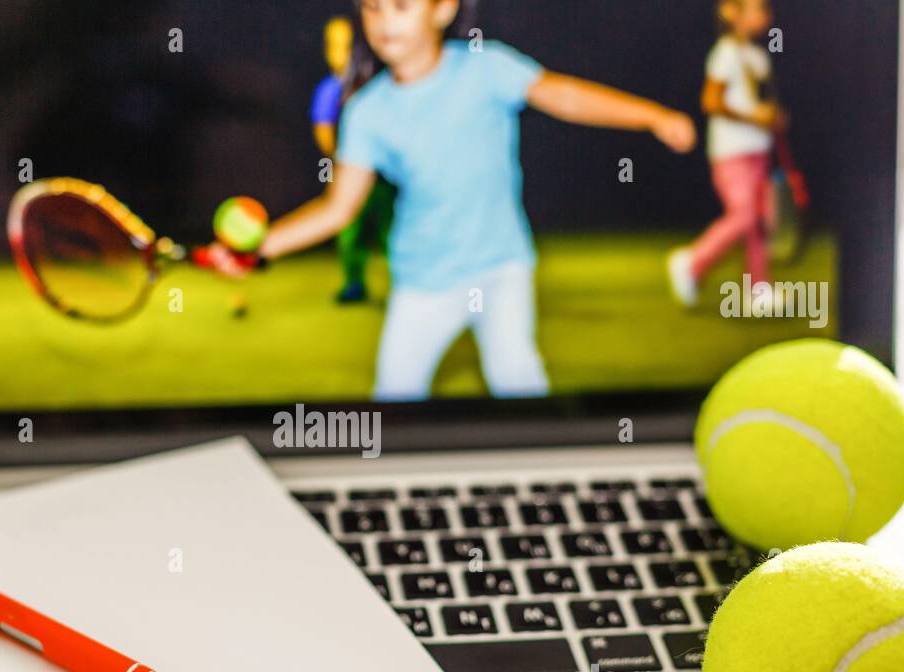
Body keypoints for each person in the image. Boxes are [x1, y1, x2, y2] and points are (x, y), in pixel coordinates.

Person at [211, 0, 695, 401]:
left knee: (520, 385)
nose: (384, 22)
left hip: (503, 269)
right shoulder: (367, 111)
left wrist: (650, 116)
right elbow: (337, 209)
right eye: (373, 9)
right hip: (424, 284)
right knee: (395, 401)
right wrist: (259, 249)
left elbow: (563, 95)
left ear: (443, 9)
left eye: (401, 6)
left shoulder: (488, 67)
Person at [668, 0, 784, 310]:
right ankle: (692, 261)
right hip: (731, 151)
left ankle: (758, 291)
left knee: (757, 221)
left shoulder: (757, 56)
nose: (764, 15)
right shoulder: (725, 53)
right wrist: (754, 118)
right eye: (756, 8)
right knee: (743, 216)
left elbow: (758, 103)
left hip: (758, 149)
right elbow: (710, 101)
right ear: (732, 12)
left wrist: (771, 118)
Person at [309, 16, 395, 305]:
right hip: (349, 172)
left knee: (391, 228)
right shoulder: (331, 88)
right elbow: (322, 127)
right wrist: (340, 160)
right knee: (349, 230)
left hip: (383, 174)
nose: (341, 53)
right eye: (334, 46)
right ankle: (354, 282)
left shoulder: (374, 85)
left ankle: (406, 282)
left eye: (347, 46)